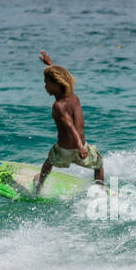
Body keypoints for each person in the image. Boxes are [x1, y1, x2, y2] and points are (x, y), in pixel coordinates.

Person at [33, 50, 104, 193]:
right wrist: (50, 64)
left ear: (56, 84)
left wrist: (79, 146)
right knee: (98, 165)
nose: (45, 86)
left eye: (47, 83)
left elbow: (70, 125)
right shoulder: (73, 97)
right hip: (81, 148)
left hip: (65, 150)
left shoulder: (58, 106)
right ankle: (100, 190)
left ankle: (38, 188)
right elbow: (63, 77)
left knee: (48, 163)